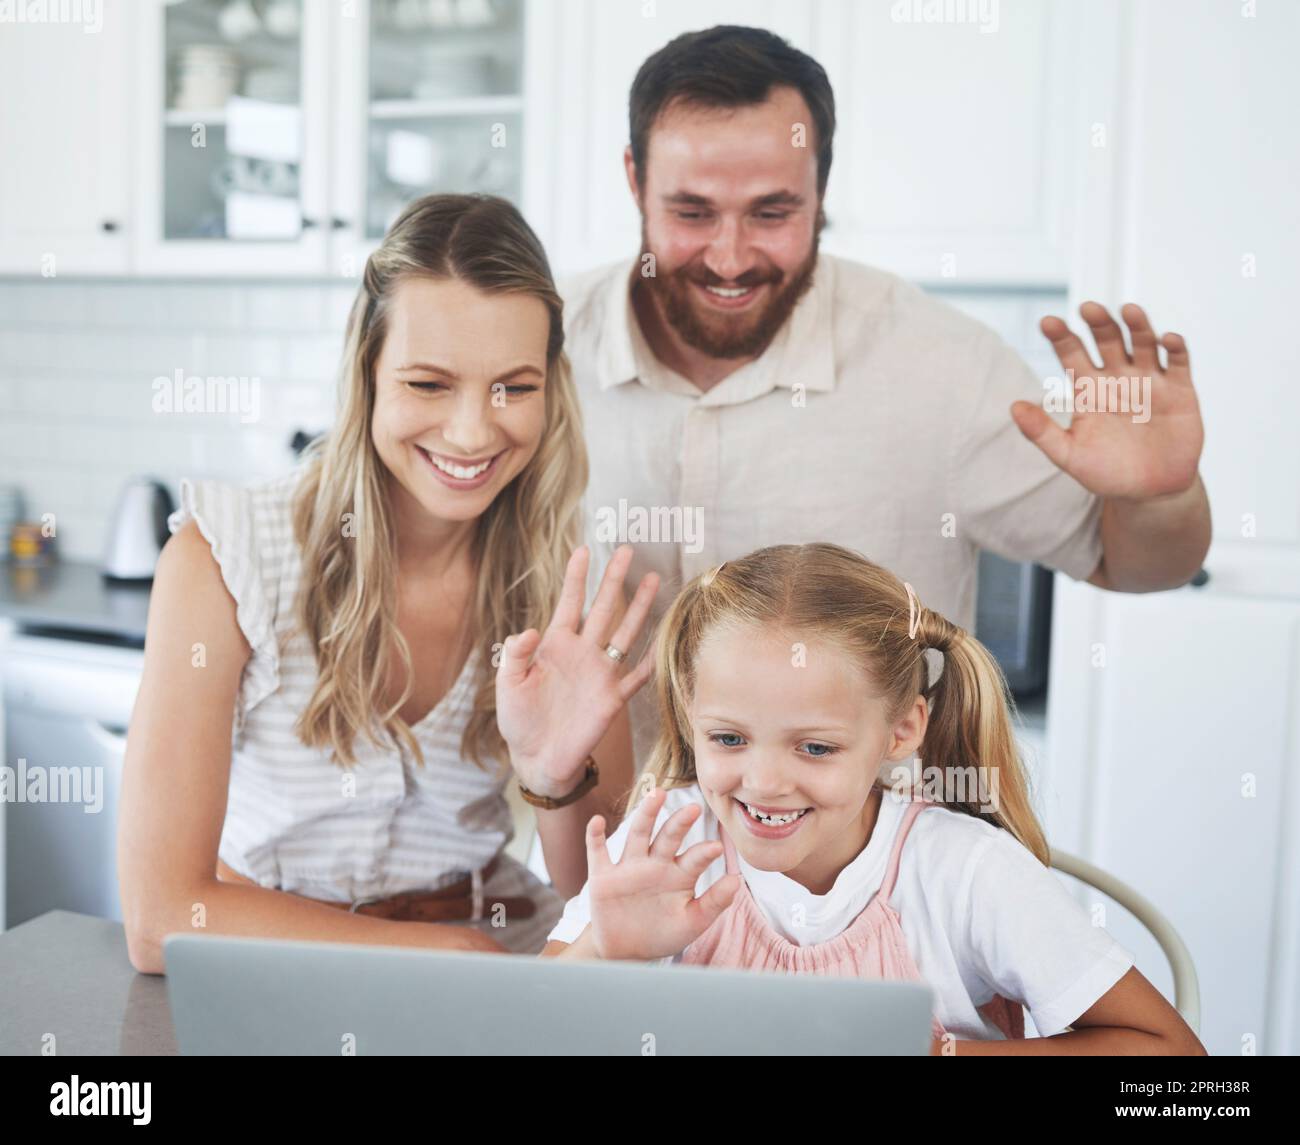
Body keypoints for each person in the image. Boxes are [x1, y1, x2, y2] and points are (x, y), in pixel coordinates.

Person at [560, 25, 1211, 766]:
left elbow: (1134, 563)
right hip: (619, 870)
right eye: (692, 212)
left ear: (823, 191)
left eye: (773, 213)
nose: (731, 257)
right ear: (633, 180)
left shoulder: (945, 366)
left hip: (888, 876)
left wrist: (1159, 496)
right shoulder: (540, 355)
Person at [118, 194, 659, 973]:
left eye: (513, 386)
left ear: (551, 385)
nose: (473, 431)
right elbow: (159, 917)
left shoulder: (562, 583)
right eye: (430, 384)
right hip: (267, 965)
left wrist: (553, 778)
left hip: (492, 955)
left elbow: (596, 900)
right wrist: (443, 952)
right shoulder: (224, 558)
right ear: (367, 373)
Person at [540, 543, 1206, 1055]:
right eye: (729, 737)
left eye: (816, 748)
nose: (765, 782)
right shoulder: (671, 843)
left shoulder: (965, 873)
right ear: (690, 714)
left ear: (901, 730)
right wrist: (601, 948)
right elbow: (519, 1035)